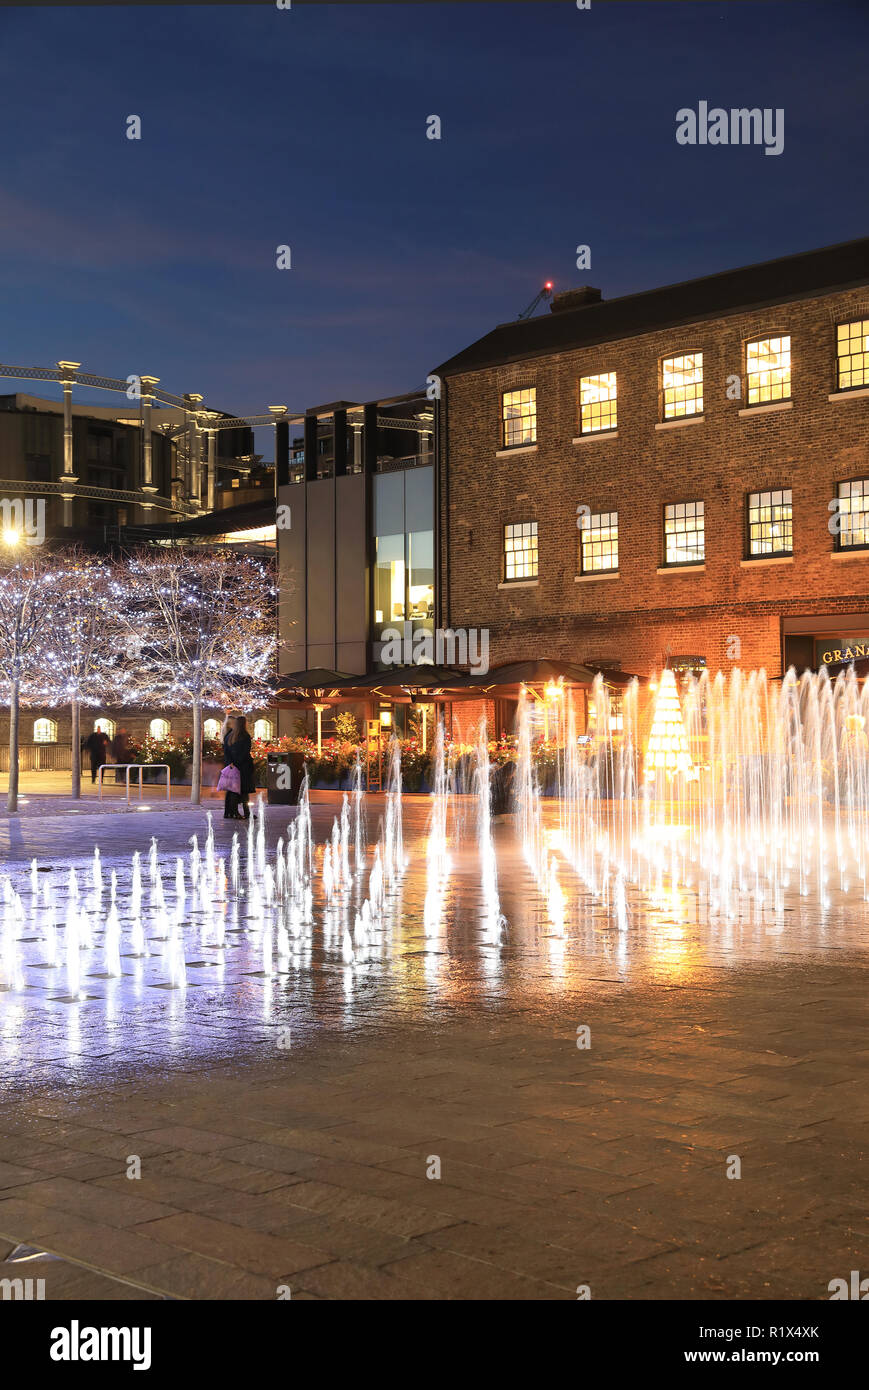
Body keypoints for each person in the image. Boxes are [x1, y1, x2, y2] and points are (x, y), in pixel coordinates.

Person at [222, 715, 256, 819]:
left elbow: (226, 751)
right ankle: (242, 812)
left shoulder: (229, 735)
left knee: (233, 790)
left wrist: (230, 763)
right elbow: (245, 752)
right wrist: (239, 763)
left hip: (232, 767)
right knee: (243, 791)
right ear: (244, 724)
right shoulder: (244, 736)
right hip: (243, 768)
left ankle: (231, 812)